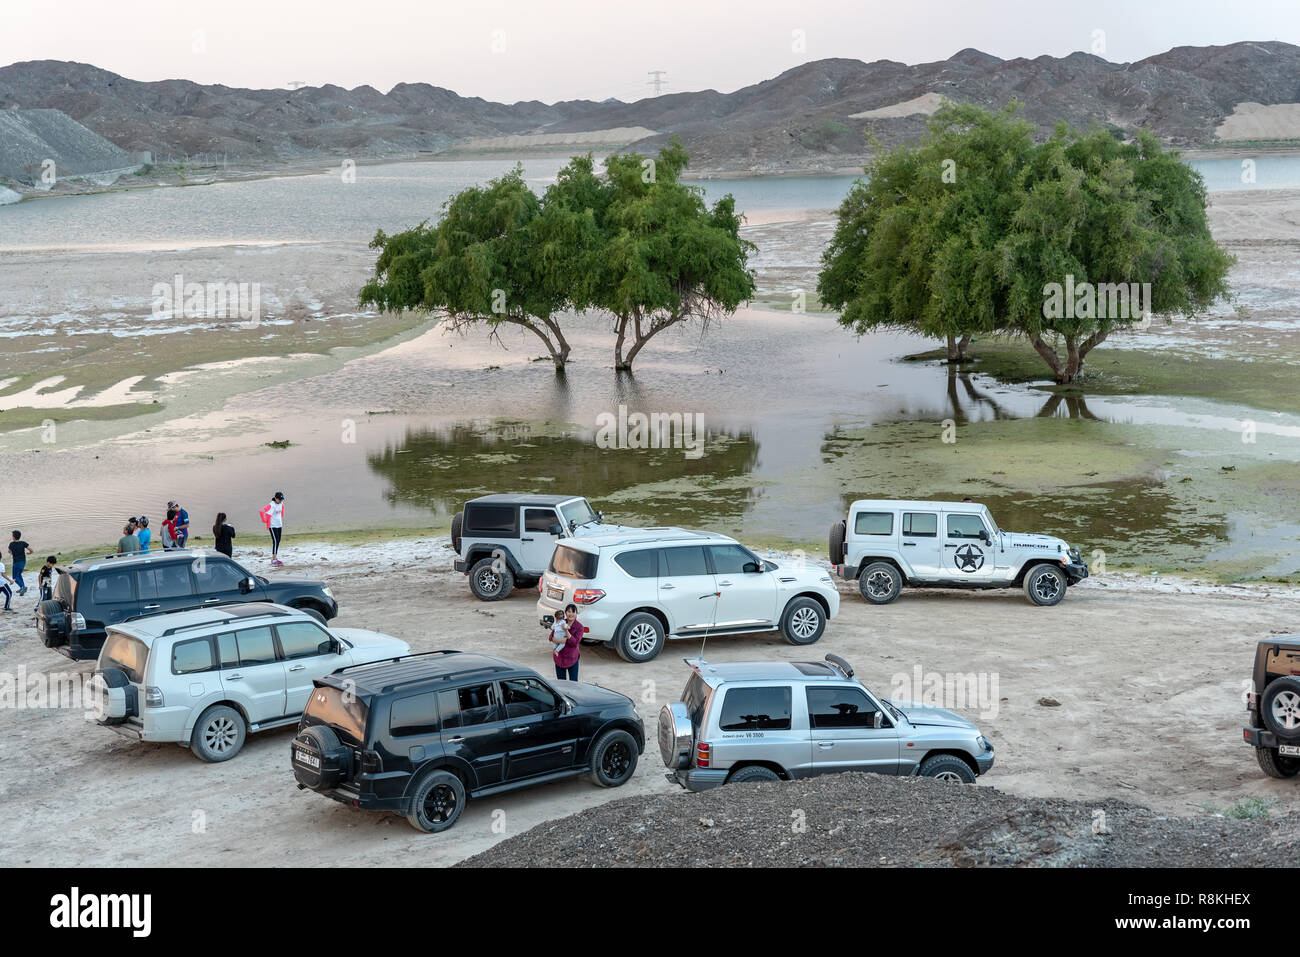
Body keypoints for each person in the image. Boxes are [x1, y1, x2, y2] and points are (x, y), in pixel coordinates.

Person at [552, 604, 584, 681]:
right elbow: (551, 636)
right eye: (569, 611)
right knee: (561, 683)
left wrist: (566, 631)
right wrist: (560, 640)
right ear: (565, 612)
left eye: (573, 612)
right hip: (559, 658)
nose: (571, 614)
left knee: (573, 683)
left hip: (572, 659)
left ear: (576, 613)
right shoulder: (561, 622)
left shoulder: (579, 627)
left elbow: (574, 643)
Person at [259, 492, 285, 567]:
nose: (280, 500)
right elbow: (261, 511)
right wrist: (264, 520)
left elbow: (282, 511)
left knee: (278, 540)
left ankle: (275, 558)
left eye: (281, 499)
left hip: (279, 525)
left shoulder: (281, 503)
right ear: (276, 498)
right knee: (275, 541)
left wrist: (280, 517)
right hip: (272, 525)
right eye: (279, 499)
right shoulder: (271, 505)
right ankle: (273, 560)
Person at [8, 531, 31, 597]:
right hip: (23, 562)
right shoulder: (23, 543)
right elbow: (31, 550)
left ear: (14, 537)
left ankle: (23, 587)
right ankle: (22, 588)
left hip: (16, 563)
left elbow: (9, 551)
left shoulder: (11, 544)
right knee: (19, 575)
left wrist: (12, 553)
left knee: (14, 577)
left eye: (12, 536)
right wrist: (29, 553)